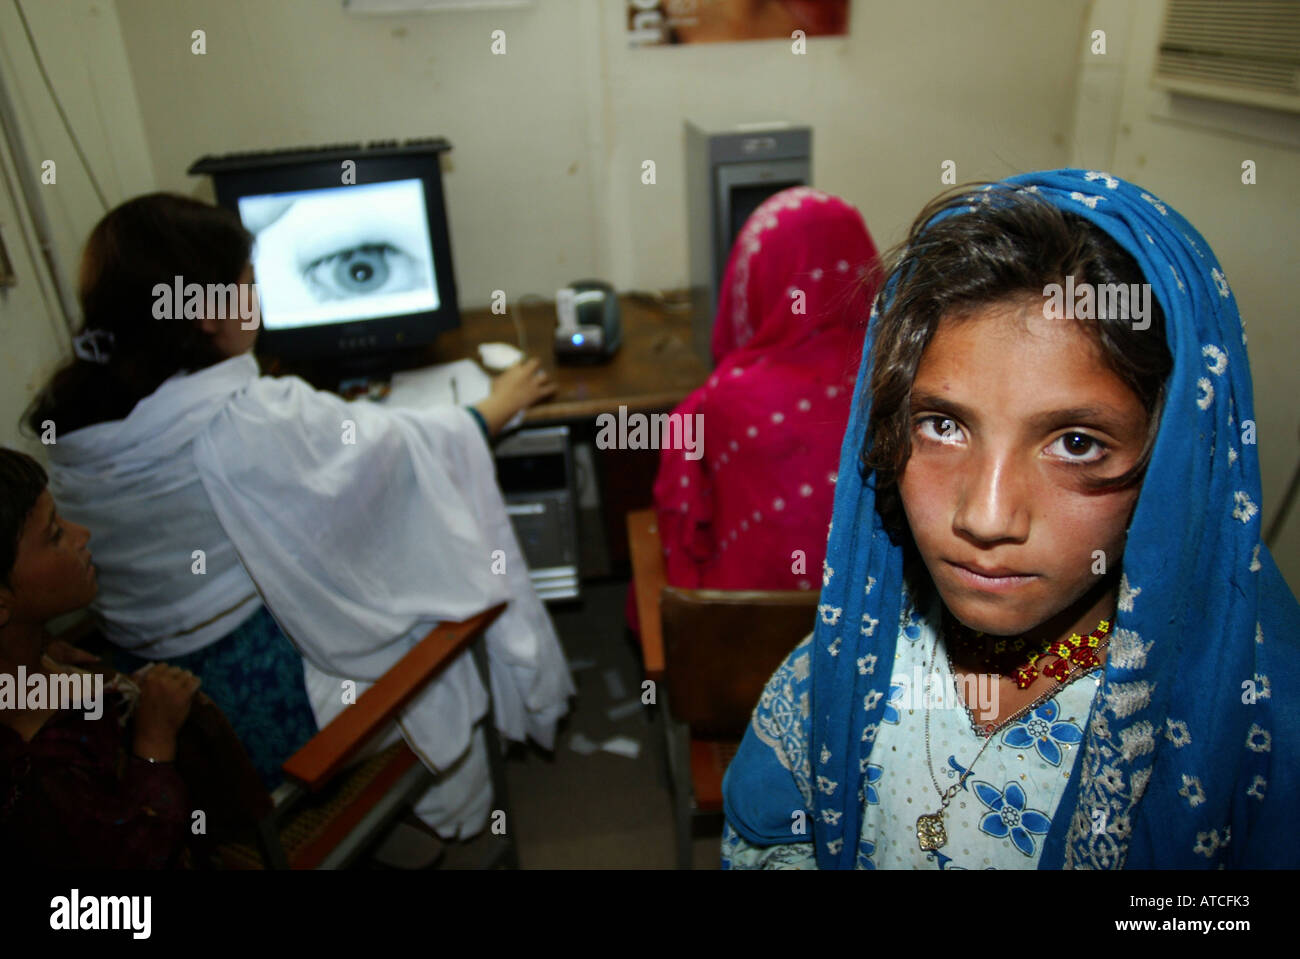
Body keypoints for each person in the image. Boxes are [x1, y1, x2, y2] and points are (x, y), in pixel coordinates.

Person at [721, 170, 1300, 868]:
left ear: (1177, 454)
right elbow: (770, 833)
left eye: (1076, 444)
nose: (987, 516)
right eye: (942, 425)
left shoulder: (1244, 731)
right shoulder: (851, 659)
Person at [26, 193, 574, 838]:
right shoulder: (246, 418)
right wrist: (485, 413)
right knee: (441, 594)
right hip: (271, 728)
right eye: (249, 283)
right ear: (205, 314)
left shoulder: (76, 431)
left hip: (166, 718)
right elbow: (393, 455)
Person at [652, 187, 880, 592]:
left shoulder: (722, 402)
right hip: (883, 632)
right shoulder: (903, 376)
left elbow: (686, 544)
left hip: (748, 637)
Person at [0, 448, 199, 867]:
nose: (81, 534)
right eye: (55, 535)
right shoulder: (42, 772)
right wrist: (154, 744)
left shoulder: (30, 659)